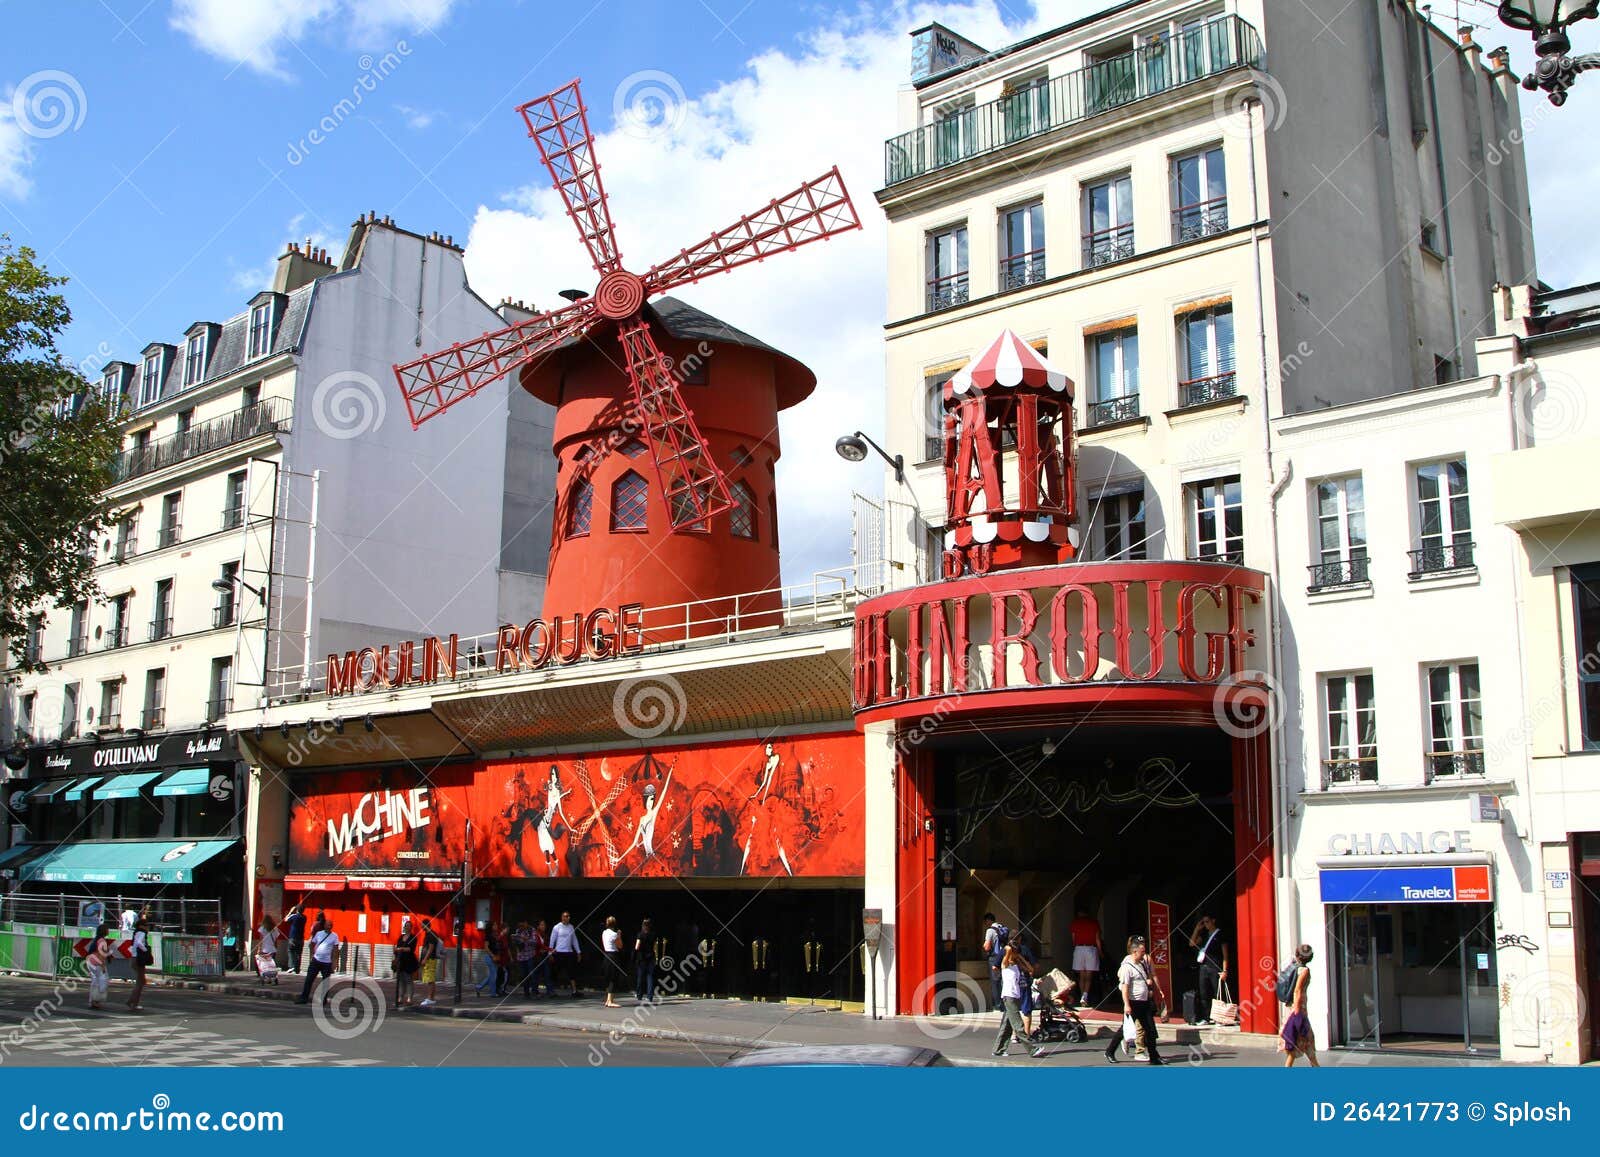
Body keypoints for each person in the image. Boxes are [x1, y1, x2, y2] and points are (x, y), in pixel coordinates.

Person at [1104, 934, 1166, 1065]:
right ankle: (1109, 1051)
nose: (1144, 954)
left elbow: (1152, 975)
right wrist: (1127, 1005)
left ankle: (1154, 1057)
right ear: (1134, 951)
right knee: (1124, 1029)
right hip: (1133, 1002)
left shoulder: (1143, 962)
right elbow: (1125, 988)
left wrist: (1158, 990)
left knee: (1150, 1030)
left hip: (1144, 1002)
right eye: (1142, 952)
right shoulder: (1127, 966)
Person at [990, 940, 1036, 1058]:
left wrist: (1020, 957)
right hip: (1008, 996)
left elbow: (1030, 969)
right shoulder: (1005, 964)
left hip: (1015, 996)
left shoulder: (1016, 965)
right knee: (1018, 1025)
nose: (1017, 955)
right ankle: (1032, 1049)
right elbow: (1006, 956)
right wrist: (1008, 951)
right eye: (1016, 953)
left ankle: (998, 1049)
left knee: (1007, 1025)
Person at [1281, 944, 1320, 1067]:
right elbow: (1298, 990)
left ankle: (1315, 1065)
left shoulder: (1293, 967)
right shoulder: (1304, 970)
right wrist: (1297, 1010)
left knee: (1302, 1039)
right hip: (1299, 1008)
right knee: (1303, 1037)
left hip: (1293, 1007)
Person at [1190, 914, 1231, 1025]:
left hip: (1215, 967)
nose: (1206, 924)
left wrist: (1225, 970)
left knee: (1217, 992)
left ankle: (1220, 1017)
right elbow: (1192, 943)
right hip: (1204, 967)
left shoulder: (1220, 934)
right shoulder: (1204, 935)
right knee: (1204, 993)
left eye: (1207, 922)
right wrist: (1197, 929)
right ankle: (1206, 1017)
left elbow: (1225, 955)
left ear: (1213, 920)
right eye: (1204, 922)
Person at [295, 914, 340, 1007]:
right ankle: (304, 997)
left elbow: (336, 950)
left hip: (327, 962)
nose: (329, 926)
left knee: (325, 982)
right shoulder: (319, 934)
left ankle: (323, 1000)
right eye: (328, 924)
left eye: (331, 925)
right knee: (309, 979)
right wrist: (312, 955)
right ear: (324, 926)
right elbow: (312, 944)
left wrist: (335, 963)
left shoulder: (334, 936)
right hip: (316, 960)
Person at [1070, 906, 1102, 1007]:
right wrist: (1100, 951)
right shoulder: (1094, 922)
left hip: (1079, 948)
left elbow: (1073, 938)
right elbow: (1097, 938)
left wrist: (1076, 947)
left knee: (1081, 975)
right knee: (1089, 975)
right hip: (1091, 949)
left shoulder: (1075, 922)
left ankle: (1082, 996)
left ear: (1079, 913)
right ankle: (1085, 996)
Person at [549, 910, 581, 996]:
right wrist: (550, 953)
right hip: (559, 952)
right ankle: (551, 991)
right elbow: (552, 940)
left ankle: (574, 991)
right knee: (555, 971)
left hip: (569, 952)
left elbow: (574, 940)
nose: (568, 918)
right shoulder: (556, 927)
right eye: (566, 916)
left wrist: (578, 952)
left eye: (569, 916)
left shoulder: (571, 927)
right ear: (562, 917)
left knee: (571, 971)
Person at [981, 912, 1009, 1009]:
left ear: (988, 920)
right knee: (1003, 980)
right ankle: (1005, 1004)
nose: (985, 924)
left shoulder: (990, 930)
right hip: (1004, 957)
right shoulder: (1002, 927)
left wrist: (984, 946)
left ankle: (997, 1005)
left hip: (994, 958)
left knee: (995, 981)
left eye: (985, 922)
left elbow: (987, 946)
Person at [127, 913, 151, 1011]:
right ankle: (133, 1003)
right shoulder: (141, 932)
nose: (147, 928)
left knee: (140, 981)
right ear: (142, 926)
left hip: (134, 958)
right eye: (146, 926)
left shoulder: (136, 932)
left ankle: (132, 1001)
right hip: (139, 959)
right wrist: (145, 950)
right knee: (140, 982)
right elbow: (139, 943)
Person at [394, 918, 420, 1008]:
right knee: (401, 980)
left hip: (409, 961)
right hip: (401, 960)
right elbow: (397, 947)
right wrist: (397, 950)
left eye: (409, 926)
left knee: (408, 980)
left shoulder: (413, 938)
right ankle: (400, 997)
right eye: (406, 926)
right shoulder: (401, 937)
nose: (407, 928)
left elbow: (411, 949)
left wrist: (401, 949)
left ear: (411, 928)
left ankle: (409, 998)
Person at [417, 917, 443, 1007]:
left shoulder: (431, 935)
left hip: (430, 960)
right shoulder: (430, 934)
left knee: (429, 979)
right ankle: (431, 997)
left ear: (425, 925)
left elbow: (431, 948)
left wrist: (425, 959)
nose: (421, 927)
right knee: (430, 979)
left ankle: (430, 998)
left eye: (422, 925)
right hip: (430, 959)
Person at [85, 921, 111, 1010]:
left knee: (95, 981)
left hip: (90, 961)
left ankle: (92, 1000)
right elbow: (101, 954)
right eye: (108, 929)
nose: (109, 931)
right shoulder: (102, 941)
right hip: (97, 963)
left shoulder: (97, 939)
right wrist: (103, 965)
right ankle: (96, 1000)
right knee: (102, 981)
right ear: (104, 931)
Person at [633, 917, 657, 1003]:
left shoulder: (640, 934)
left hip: (641, 957)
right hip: (651, 957)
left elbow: (637, 946)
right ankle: (650, 996)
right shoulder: (653, 934)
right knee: (650, 976)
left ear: (643, 925)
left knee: (640, 976)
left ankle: (639, 994)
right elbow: (654, 947)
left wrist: (635, 953)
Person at [602, 915, 624, 1008]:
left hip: (606, 955)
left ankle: (607, 1000)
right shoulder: (614, 934)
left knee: (608, 977)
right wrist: (619, 935)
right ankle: (610, 1001)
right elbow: (620, 946)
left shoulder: (604, 932)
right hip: (613, 955)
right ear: (614, 924)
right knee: (613, 978)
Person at [475, 923, 500, 997]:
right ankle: (493, 993)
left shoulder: (495, 935)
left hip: (495, 957)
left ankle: (479, 987)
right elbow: (486, 947)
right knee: (494, 976)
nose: (496, 926)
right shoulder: (488, 936)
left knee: (491, 976)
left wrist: (497, 956)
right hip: (489, 957)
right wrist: (493, 956)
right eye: (494, 925)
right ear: (491, 927)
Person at [284, 904, 307, 973]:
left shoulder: (294, 916)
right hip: (301, 938)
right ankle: (297, 968)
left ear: (297, 910)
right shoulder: (304, 917)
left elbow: (285, 920)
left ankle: (291, 966)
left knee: (290, 951)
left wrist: (290, 912)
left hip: (293, 937)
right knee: (298, 953)